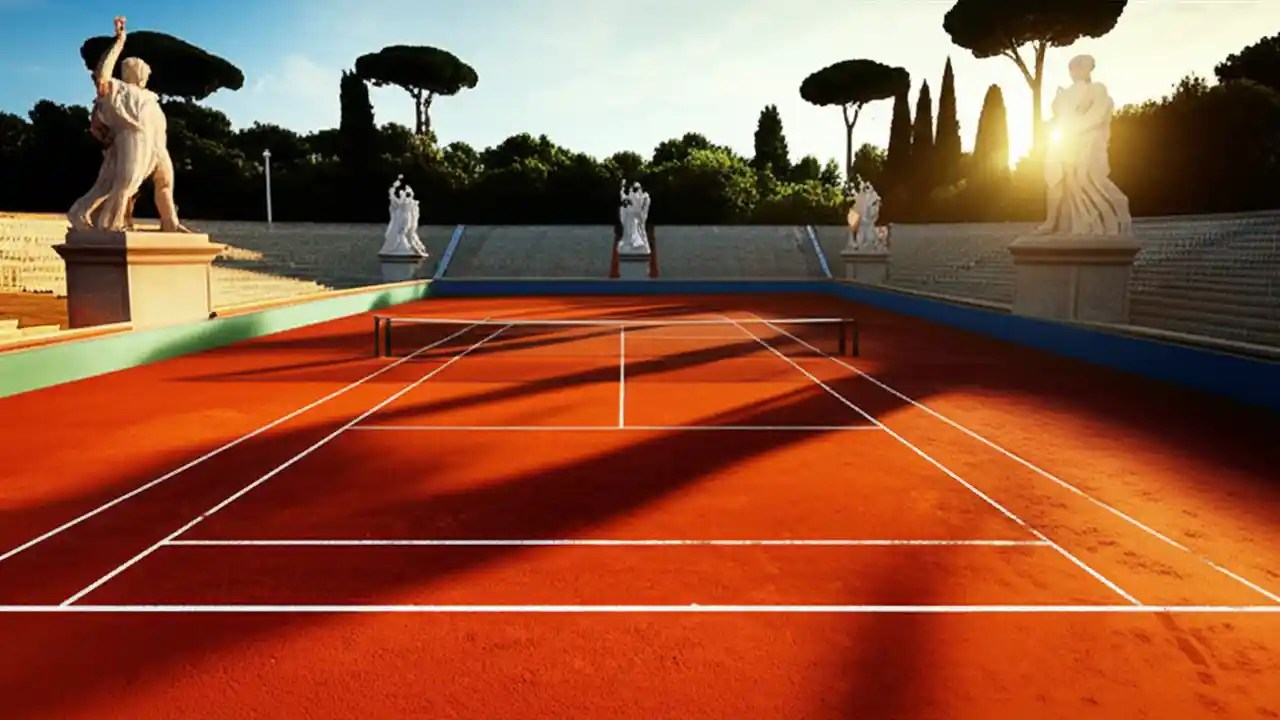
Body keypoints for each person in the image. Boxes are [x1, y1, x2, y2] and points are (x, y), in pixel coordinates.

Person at [68, 16, 188, 232]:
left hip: (156, 145)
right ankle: (110, 223)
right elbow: (102, 74)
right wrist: (120, 41)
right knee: (125, 184)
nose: (147, 75)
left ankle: (171, 222)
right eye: (144, 71)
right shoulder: (118, 89)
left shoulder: (150, 97)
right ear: (136, 73)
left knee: (165, 181)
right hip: (133, 138)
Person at [1035, 55, 1131, 236]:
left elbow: (1097, 117)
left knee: (1083, 177)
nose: (1076, 72)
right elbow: (1060, 114)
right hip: (1064, 140)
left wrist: (1075, 128)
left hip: (1084, 142)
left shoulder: (1097, 89)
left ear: (1088, 69)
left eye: (1081, 67)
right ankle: (1051, 220)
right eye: (1073, 68)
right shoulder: (1066, 92)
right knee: (1054, 175)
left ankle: (1094, 218)